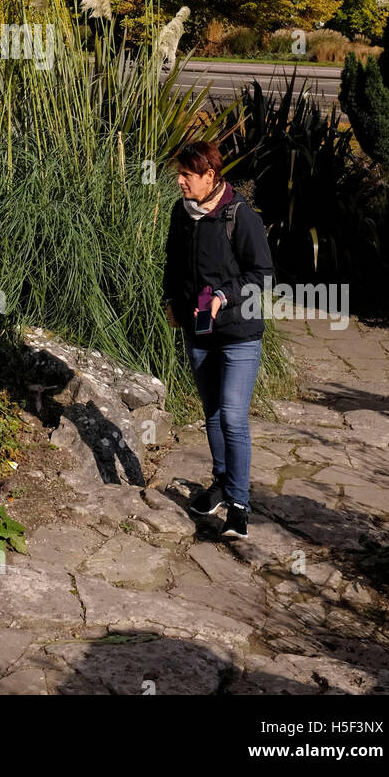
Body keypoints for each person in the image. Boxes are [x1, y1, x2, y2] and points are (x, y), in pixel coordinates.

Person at [161, 140, 273, 538]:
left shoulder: (240, 216)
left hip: (239, 332)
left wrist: (224, 296)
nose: (180, 181)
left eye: (187, 175)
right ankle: (222, 483)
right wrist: (171, 300)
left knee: (231, 415)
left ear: (210, 176)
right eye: (180, 174)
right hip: (199, 331)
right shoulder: (182, 213)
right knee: (211, 413)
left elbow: (262, 275)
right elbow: (173, 261)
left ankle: (240, 504)